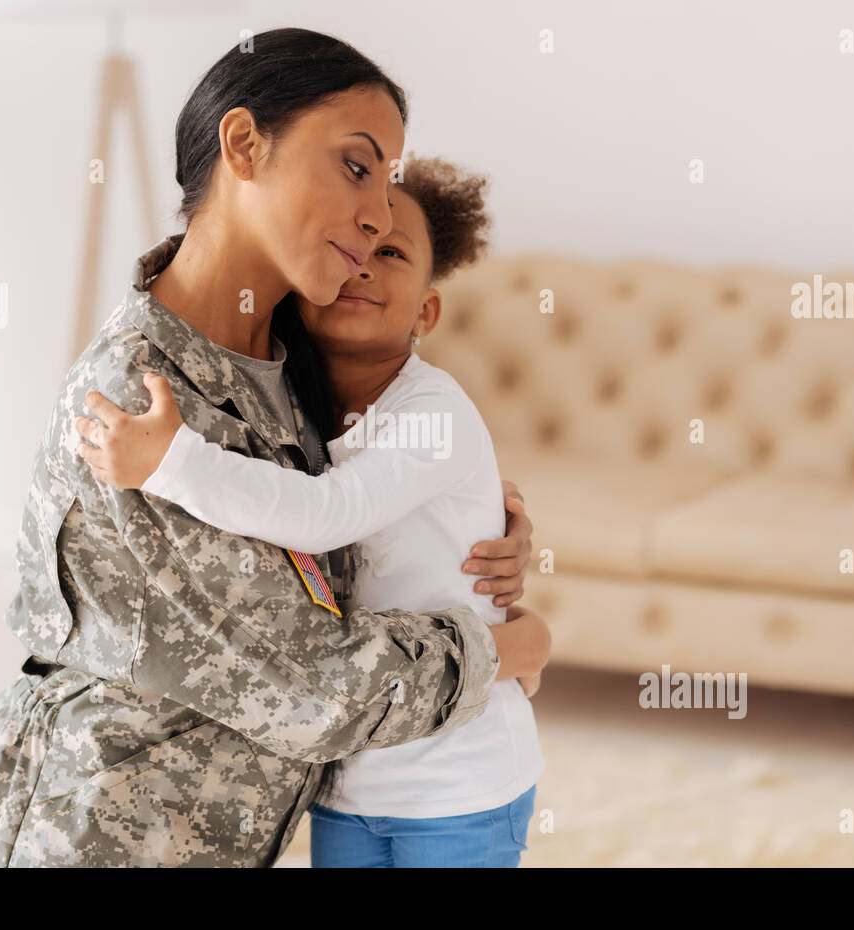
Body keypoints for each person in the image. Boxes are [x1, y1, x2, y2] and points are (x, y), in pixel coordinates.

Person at [0, 27, 547, 868]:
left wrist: (477, 531)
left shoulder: (288, 364)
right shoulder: (138, 401)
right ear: (245, 144)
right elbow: (310, 686)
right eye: (357, 166)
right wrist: (510, 647)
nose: (378, 211)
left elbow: (344, 529)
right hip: (83, 836)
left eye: (390, 183)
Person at [76, 155, 548, 867]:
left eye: (390, 252)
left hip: (460, 783)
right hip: (349, 785)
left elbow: (327, 512)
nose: (363, 264)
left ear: (426, 310)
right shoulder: (290, 414)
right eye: (352, 249)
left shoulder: (436, 411)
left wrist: (171, 460)